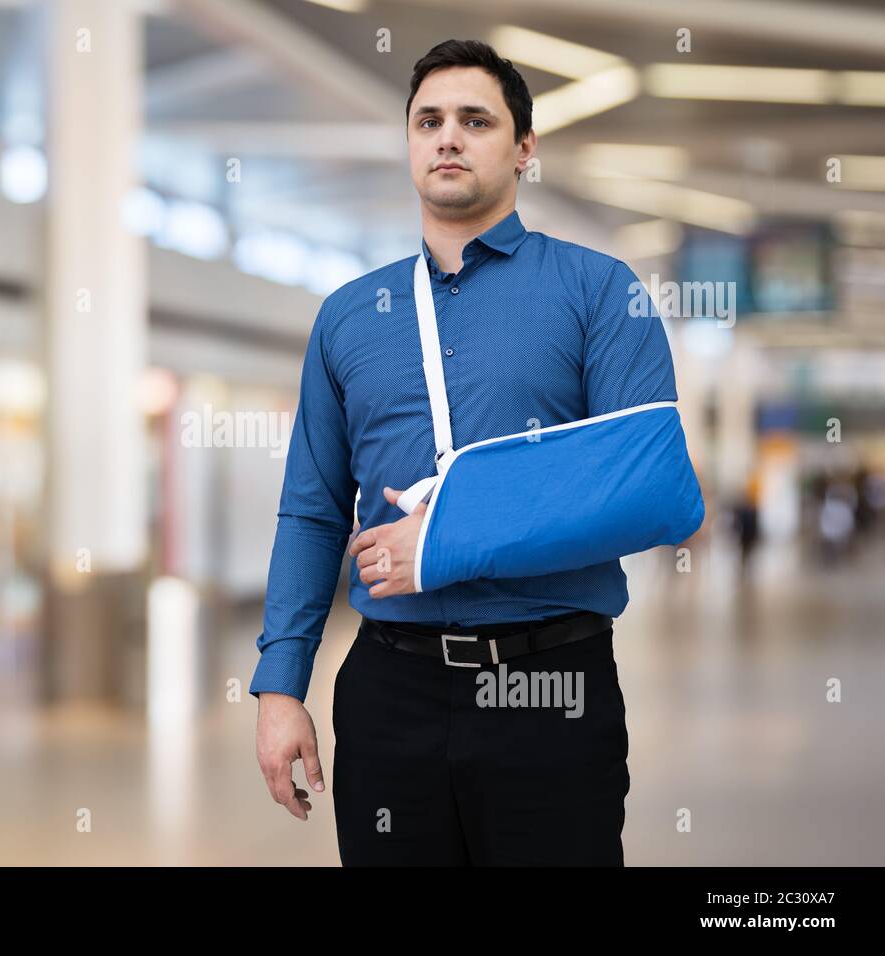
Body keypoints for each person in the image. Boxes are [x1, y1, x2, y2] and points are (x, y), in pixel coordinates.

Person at [251, 38, 687, 865]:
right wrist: (280, 685)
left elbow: (651, 492)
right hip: (390, 692)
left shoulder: (602, 291)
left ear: (524, 149)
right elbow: (311, 510)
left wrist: (451, 537)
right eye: (429, 121)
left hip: (550, 688)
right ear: (410, 143)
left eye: (475, 120)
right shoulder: (349, 317)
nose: (448, 137)